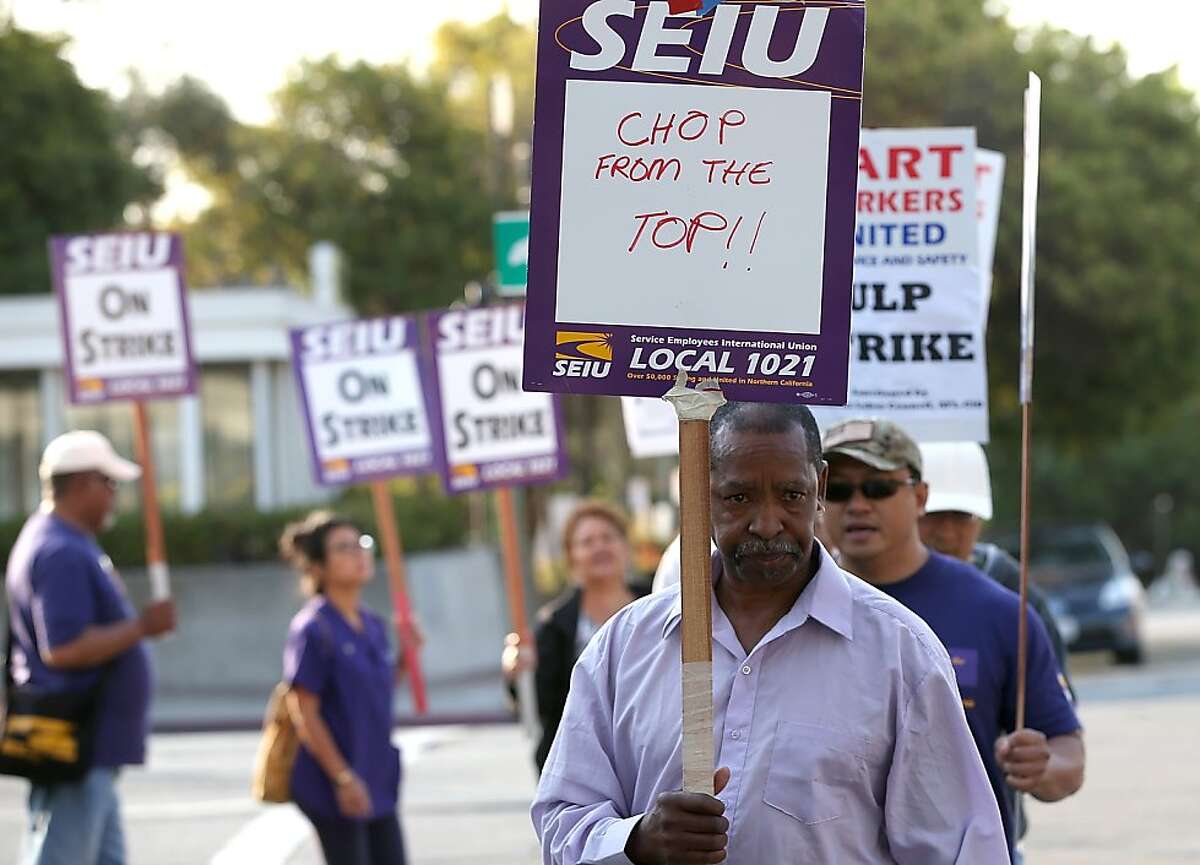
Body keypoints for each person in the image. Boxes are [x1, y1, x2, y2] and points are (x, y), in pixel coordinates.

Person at [534, 402, 1008, 864]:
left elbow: (963, 847)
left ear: (819, 486)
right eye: (739, 497)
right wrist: (635, 840)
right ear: (701, 490)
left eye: (791, 496)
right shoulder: (624, 649)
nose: (766, 523)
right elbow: (560, 823)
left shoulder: (901, 653)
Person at [821, 419, 1085, 861]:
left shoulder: (1000, 613)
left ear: (920, 496)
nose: (858, 505)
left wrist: (1040, 766)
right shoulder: (785, 608)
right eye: (838, 491)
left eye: (879, 488)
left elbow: (1068, 757)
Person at [5, 430, 176, 865]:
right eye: (110, 484)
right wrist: (142, 627)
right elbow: (62, 649)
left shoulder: (64, 541)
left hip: (88, 743)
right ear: (82, 484)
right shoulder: (59, 550)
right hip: (78, 741)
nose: (115, 496)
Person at [279, 512, 406, 865]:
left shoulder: (373, 624)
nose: (359, 553)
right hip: (335, 782)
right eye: (344, 548)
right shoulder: (313, 628)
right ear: (318, 567)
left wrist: (406, 661)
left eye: (361, 543)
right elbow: (304, 711)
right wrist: (343, 778)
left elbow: (373, 691)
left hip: (376, 774)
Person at [918, 441, 1075, 699]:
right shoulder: (876, 586)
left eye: (961, 516)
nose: (946, 532)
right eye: (932, 515)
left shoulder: (1012, 588)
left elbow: (1057, 713)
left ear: (980, 519)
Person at [506, 501, 642, 772]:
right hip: (583, 765)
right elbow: (542, 705)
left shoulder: (661, 604)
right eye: (587, 542)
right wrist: (517, 674)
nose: (599, 547)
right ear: (572, 556)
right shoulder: (554, 625)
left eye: (607, 538)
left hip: (651, 753)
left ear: (624, 547)